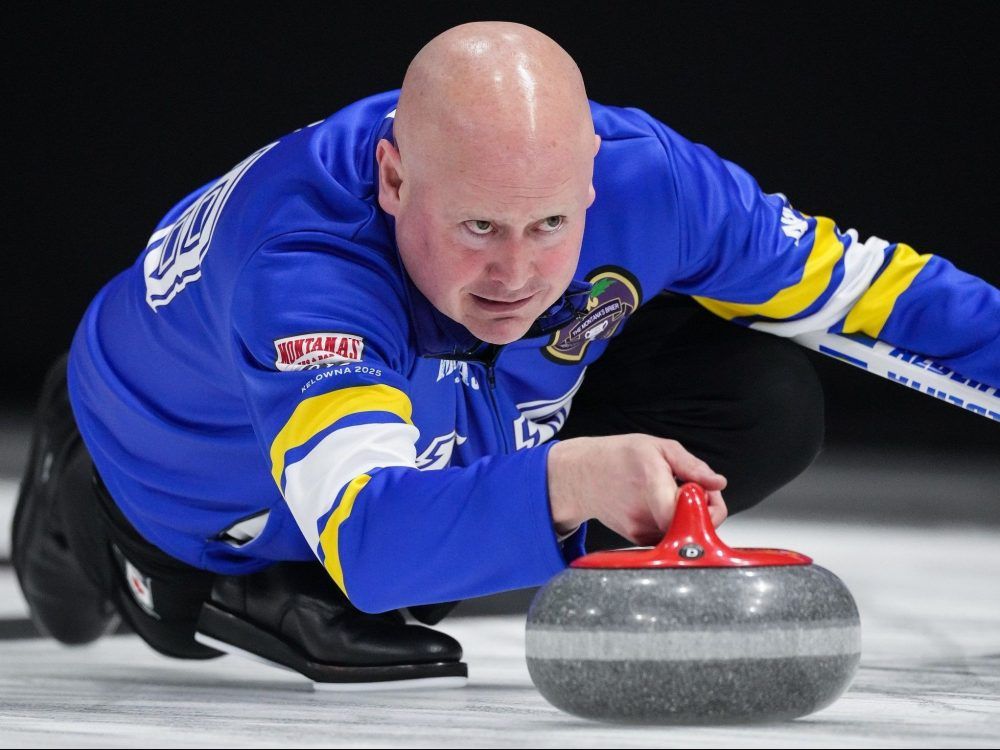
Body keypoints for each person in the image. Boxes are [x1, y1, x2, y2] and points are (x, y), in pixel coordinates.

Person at [13, 22, 998, 687]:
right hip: (171, 472)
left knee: (763, 402)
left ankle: (441, 508)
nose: (516, 273)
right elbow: (373, 539)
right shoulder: (307, 269)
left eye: (551, 222)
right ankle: (117, 533)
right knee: (147, 603)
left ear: (593, 177)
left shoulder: (653, 181)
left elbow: (879, 297)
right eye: (479, 223)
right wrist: (568, 476)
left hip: (438, 400)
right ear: (393, 179)